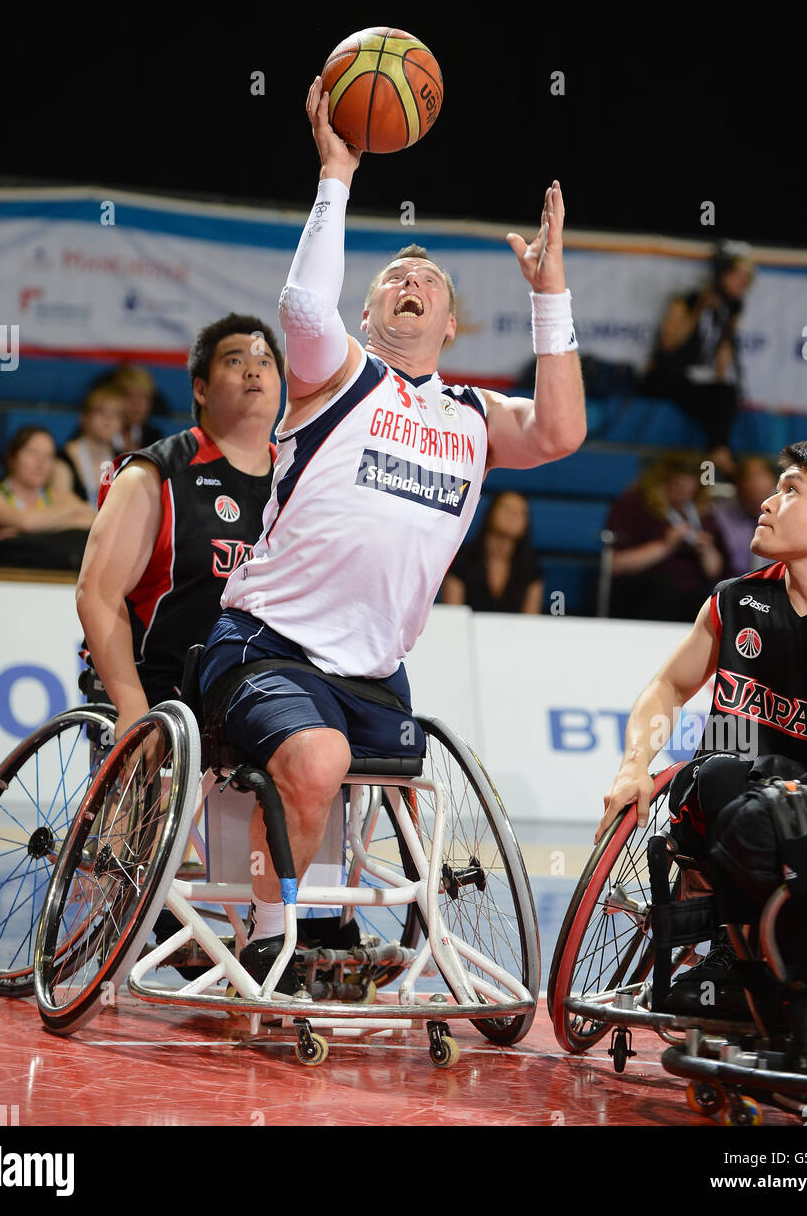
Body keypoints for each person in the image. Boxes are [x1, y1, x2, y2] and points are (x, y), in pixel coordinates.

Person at [198, 75, 587, 991]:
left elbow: (564, 432)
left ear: (452, 323)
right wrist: (336, 174)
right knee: (321, 760)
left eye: (429, 283)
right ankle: (269, 934)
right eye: (392, 281)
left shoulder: (472, 414)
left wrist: (551, 296)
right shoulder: (336, 377)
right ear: (369, 317)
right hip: (267, 644)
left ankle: (338, 927)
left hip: (374, 669)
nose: (410, 285)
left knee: (410, 800)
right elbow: (301, 309)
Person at [596, 439, 807, 1014]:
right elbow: (666, 687)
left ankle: (791, 977)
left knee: (768, 800)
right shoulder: (736, 600)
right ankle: (742, 962)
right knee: (722, 775)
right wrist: (634, 765)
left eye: (790, 491)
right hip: (730, 786)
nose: (765, 502)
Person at [76, 314, 283, 740]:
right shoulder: (153, 475)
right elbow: (96, 593)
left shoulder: (300, 484)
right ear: (200, 389)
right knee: (158, 796)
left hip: (252, 691)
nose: (252, 369)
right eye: (233, 360)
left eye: (265, 363)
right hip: (155, 690)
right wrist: (133, 708)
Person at [643, 240, 755, 478]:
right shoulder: (687, 300)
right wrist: (700, 310)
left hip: (696, 380)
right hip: (665, 376)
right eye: (738, 276)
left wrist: (721, 382)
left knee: (725, 393)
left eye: (747, 278)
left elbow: (723, 352)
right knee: (716, 396)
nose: (743, 283)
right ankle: (718, 453)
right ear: (721, 275)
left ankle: (719, 451)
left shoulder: (733, 307)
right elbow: (669, 345)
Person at [606, 453, 724, 622]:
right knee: (663, 589)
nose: (682, 491)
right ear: (660, 483)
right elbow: (614, 565)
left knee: (713, 597)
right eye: (676, 484)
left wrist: (706, 550)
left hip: (692, 594)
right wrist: (665, 546)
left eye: (688, 486)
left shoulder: (703, 512)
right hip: (646, 592)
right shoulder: (633, 505)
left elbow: (714, 571)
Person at [0, 426, 95, 566]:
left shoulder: (61, 498)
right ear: (12, 457)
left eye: (48, 455)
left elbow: (92, 522)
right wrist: (69, 516)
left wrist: (22, 537)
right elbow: (26, 522)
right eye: (32, 453)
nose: (41, 462)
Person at [441, 490, 544, 613]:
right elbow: (452, 615)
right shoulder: (461, 559)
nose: (513, 516)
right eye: (507, 509)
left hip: (515, 632)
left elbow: (531, 623)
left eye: (521, 513)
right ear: (491, 513)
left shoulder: (531, 567)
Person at [51, 385, 126, 508]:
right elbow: (60, 508)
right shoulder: (63, 459)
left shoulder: (124, 461)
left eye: (116, 414)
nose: (109, 420)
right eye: (101, 412)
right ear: (84, 417)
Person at [712, 454, 777, 578]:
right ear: (738, 487)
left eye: (763, 497)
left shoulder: (786, 515)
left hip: (775, 586)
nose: (758, 507)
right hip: (731, 585)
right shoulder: (717, 515)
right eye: (750, 497)